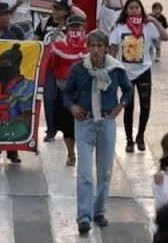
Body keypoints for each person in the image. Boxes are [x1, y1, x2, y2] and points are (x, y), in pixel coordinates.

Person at [63, 29, 132, 236]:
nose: (95, 50)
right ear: (87, 48)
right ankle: (83, 217)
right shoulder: (78, 69)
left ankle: (99, 211)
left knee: (105, 171)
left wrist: (121, 105)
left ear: (106, 48)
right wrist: (72, 108)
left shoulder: (116, 69)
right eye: (92, 46)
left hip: (106, 121)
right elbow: (66, 93)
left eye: (99, 46)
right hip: (84, 122)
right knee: (84, 172)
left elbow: (128, 90)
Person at [109, 0, 168, 153]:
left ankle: (140, 135)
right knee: (128, 106)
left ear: (142, 10)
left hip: (143, 71)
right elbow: (113, 50)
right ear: (126, 11)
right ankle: (129, 140)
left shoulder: (147, 27)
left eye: (137, 7)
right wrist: (111, 70)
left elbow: (165, 37)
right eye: (131, 8)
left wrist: (154, 21)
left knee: (145, 105)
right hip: (125, 73)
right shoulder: (119, 28)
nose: (134, 10)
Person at [44, 11, 88, 163]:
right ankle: (71, 154)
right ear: (68, 28)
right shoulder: (58, 46)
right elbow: (53, 66)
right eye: (73, 26)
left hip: (85, 93)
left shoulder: (91, 45)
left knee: (84, 125)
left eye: (79, 26)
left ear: (84, 28)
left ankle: (83, 154)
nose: (76, 29)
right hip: (64, 91)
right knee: (66, 126)